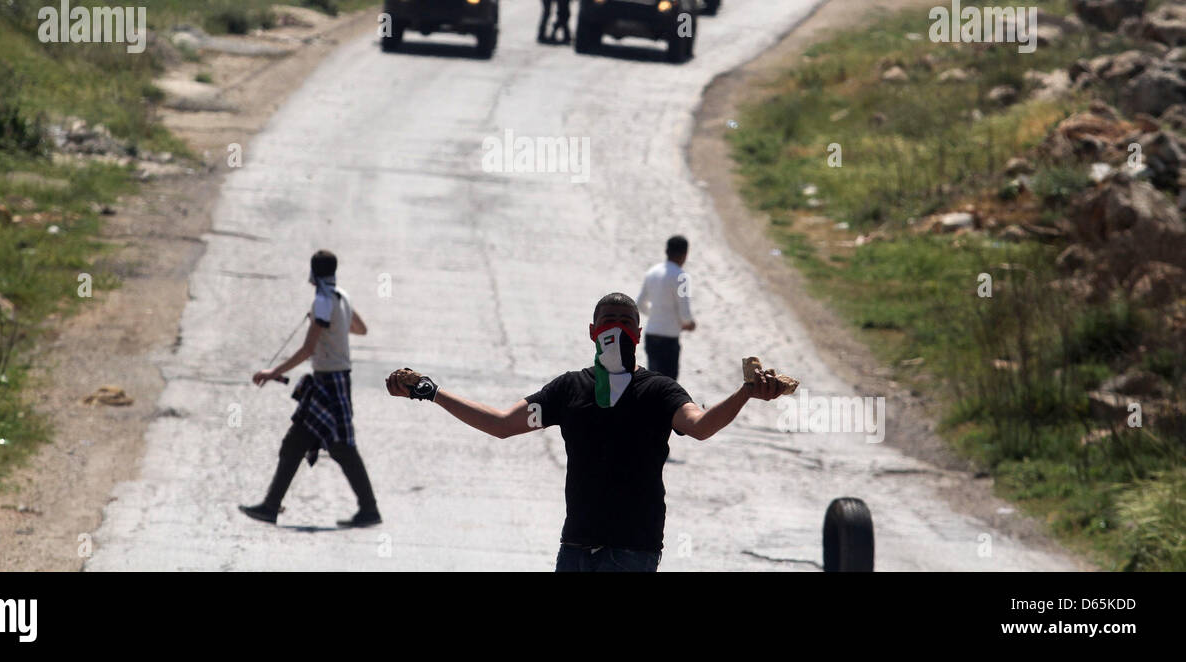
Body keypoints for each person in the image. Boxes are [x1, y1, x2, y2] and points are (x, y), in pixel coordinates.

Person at [384, 292, 793, 572]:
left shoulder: (657, 390)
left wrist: (745, 393)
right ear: (592, 331)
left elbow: (700, 426)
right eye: (609, 322)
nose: (618, 329)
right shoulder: (570, 390)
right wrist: (431, 392)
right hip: (577, 547)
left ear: (638, 334)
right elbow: (502, 424)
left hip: (633, 550)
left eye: (627, 322)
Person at [239, 249, 381, 528]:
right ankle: (270, 505)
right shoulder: (341, 296)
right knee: (296, 443)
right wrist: (330, 324)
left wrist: (273, 372)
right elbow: (361, 329)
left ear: (312, 273)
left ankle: (369, 509)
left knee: (341, 447)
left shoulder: (323, 301)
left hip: (330, 382)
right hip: (332, 381)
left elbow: (308, 349)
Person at [636, 235, 695, 381]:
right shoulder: (682, 277)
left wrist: (655, 314)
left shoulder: (652, 272)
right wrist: (689, 324)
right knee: (668, 386)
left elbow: (639, 303)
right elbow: (685, 313)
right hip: (669, 338)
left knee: (653, 381)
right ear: (685, 254)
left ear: (666, 251)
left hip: (651, 333)